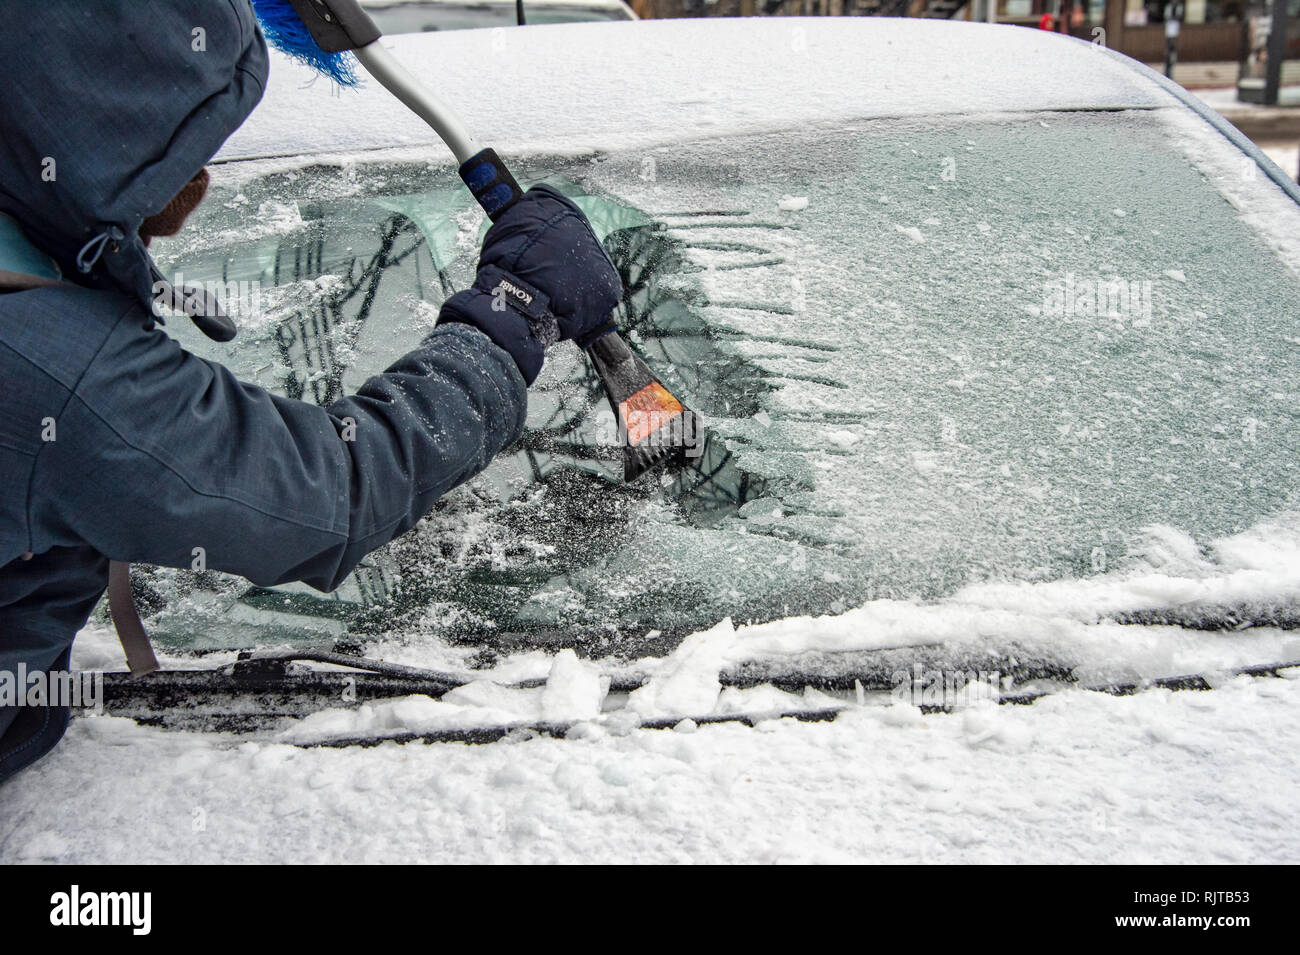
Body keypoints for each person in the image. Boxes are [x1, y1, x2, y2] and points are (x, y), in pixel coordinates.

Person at [0, 1, 621, 782]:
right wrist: (513, 315)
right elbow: (333, 492)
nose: (197, 184)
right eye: (180, 151)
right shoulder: (55, 368)